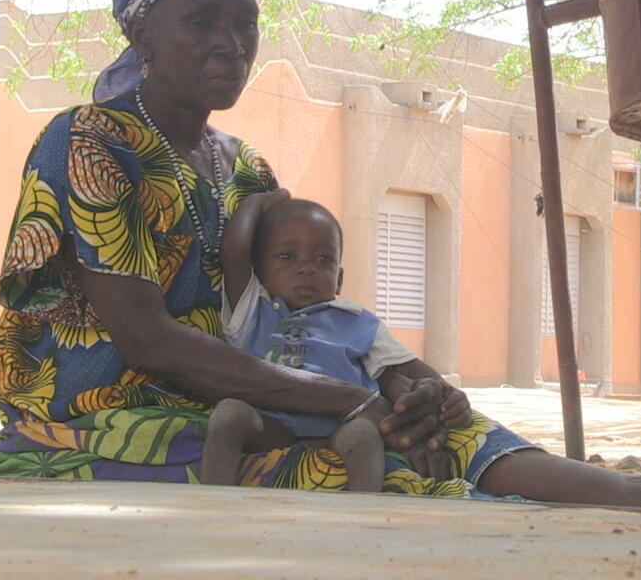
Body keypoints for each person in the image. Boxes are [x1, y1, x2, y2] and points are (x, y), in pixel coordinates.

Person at [0, 0, 641, 514]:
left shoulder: (245, 170)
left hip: (236, 401)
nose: (231, 43)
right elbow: (148, 341)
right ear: (141, 35)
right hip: (95, 423)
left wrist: (415, 383)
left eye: (245, 21)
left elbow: (304, 311)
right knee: (377, 466)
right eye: (202, 22)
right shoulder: (89, 143)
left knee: (435, 427)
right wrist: (351, 399)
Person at [202, 193, 474, 493]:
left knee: (363, 435)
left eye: (323, 259)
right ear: (260, 270)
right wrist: (258, 201)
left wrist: (450, 396)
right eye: (287, 257)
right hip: (270, 427)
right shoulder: (252, 311)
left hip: (336, 429)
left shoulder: (357, 322)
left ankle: (361, 511)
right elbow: (234, 250)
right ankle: (214, 502)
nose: (307, 269)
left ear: (339, 279)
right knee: (229, 413)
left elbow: (410, 369)